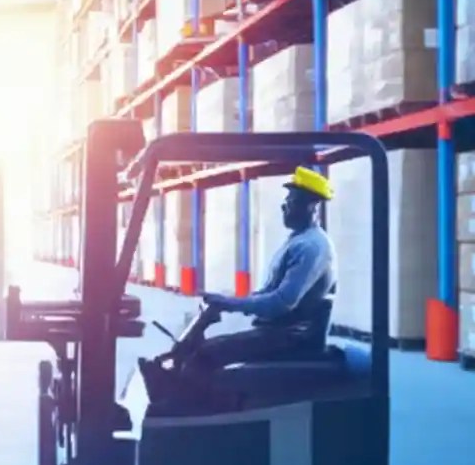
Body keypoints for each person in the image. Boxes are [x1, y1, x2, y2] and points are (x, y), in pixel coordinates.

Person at [139, 166, 337, 408]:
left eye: (291, 201)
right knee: (195, 351)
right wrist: (228, 301)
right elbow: (268, 293)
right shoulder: (299, 240)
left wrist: (230, 304)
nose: (284, 206)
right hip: (284, 332)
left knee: (204, 357)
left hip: (293, 336)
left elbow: (281, 302)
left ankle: (204, 419)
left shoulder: (311, 247)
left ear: (310, 206)